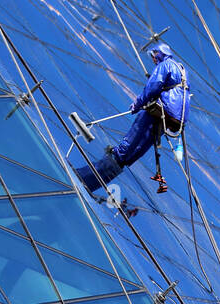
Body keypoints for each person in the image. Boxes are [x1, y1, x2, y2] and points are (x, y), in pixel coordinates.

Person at [75, 43, 191, 192]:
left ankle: (85, 177)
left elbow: (154, 86)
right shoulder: (182, 70)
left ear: (160, 52)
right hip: (175, 118)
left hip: (163, 108)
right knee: (136, 150)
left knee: (126, 146)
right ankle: (95, 182)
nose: (154, 59)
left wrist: (138, 103)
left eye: (154, 55)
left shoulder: (166, 65)